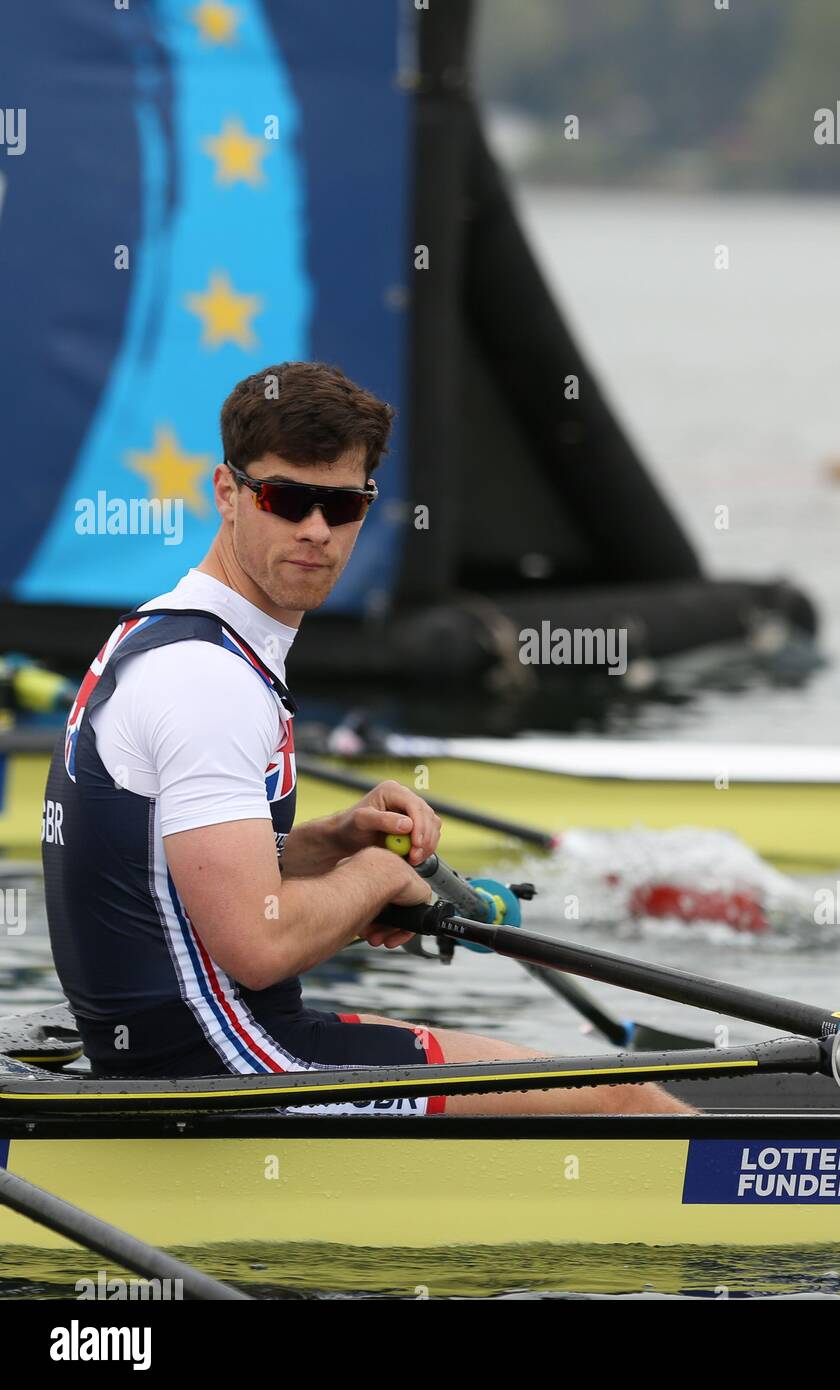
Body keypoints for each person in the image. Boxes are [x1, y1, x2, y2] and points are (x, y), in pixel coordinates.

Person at [42, 361, 691, 1117]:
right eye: (287, 499)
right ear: (227, 493)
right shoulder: (207, 683)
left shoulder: (161, 632)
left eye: (341, 506)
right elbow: (257, 945)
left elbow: (168, 867)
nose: (316, 530)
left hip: (210, 1041)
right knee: (623, 1098)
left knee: (577, 1074)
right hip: (223, 1068)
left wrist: (337, 843)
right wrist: (379, 882)